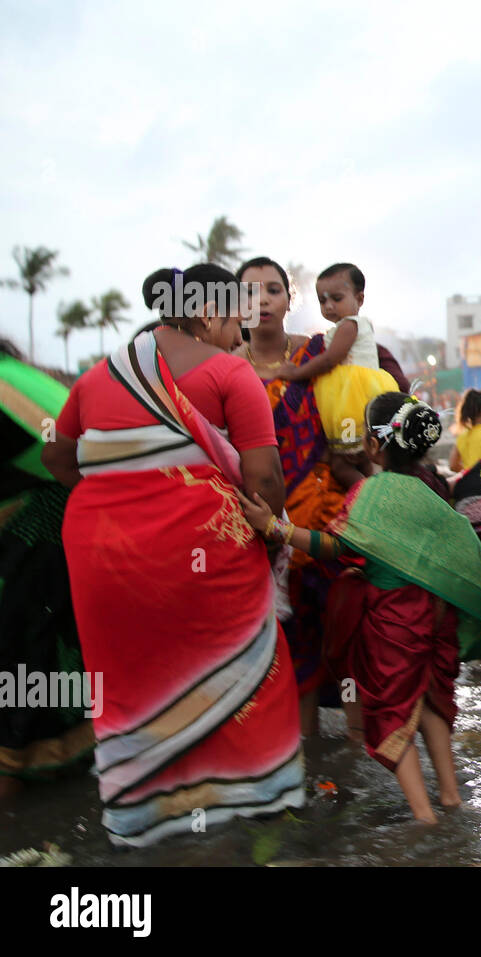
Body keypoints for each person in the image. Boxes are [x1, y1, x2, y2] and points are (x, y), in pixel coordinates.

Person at [41, 264, 304, 846]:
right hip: (199, 549)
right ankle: (253, 814)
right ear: (210, 314)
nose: (240, 335)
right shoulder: (231, 373)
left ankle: (148, 821)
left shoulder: (96, 376)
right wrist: (272, 531)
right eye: (235, 319)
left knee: (134, 682)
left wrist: (123, 490)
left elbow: (58, 459)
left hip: (102, 557)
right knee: (255, 678)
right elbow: (263, 477)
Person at [240, 393, 481, 822]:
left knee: (390, 712)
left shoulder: (370, 493)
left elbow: (333, 545)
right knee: (433, 699)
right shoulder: (432, 487)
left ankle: (424, 819)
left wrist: (274, 527)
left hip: (396, 619)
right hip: (439, 616)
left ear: (375, 445)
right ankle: (451, 796)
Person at [238, 256, 348, 737]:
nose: (261, 301)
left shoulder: (318, 353)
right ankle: (284, 756)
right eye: (249, 293)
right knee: (271, 643)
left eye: (272, 290)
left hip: (319, 517)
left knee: (331, 632)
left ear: (289, 299)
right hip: (252, 521)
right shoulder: (224, 367)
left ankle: (334, 758)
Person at [0, 344, 92, 797]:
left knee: (23, 649)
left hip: (34, 539)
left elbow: (63, 452)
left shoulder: (9, 386)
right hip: (58, 535)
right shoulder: (19, 377)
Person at [274, 262, 398, 489]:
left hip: (351, 404)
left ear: (359, 299)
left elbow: (331, 359)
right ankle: (373, 489)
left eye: (337, 298)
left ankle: (369, 498)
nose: (329, 305)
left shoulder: (349, 326)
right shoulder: (353, 325)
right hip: (360, 405)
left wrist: (296, 373)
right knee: (362, 459)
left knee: (341, 464)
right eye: (322, 300)